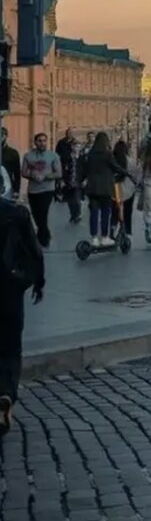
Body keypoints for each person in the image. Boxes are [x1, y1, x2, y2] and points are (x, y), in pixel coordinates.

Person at [0, 166, 44, 434]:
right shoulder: (17, 213)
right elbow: (34, 251)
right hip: (10, 288)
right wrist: (39, 282)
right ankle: (6, 392)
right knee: (10, 347)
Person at [79, 131, 125, 246]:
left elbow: (84, 170)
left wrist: (81, 181)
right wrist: (125, 172)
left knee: (94, 213)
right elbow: (115, 167)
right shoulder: (107, 154)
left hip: (92, 188)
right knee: (106, 212)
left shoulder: (90, 154)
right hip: (105, 188)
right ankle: (105, 237)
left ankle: (94, 238)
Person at [22, 132, 62, 248]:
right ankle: (45, 233)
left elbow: (59, 173)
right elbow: (23, 172)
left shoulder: (53, 156)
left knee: (43, 213)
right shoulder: (28, 156)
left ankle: (43, 240)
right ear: (35, 142)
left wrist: (45, 176)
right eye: (39, 141)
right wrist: (32, 175)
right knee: (36, 215)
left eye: (44, 140)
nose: (42, 143)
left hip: (47, 190)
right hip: (33, 190)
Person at [55, 127, 83, 224]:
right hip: (67, 177)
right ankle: (73, 214)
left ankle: (78, 214)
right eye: (68, 132)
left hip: (77, 179)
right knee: (70, 199)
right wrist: (61, 178)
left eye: (76, 147)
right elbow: (57, 156)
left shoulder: (80, 157)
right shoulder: (62, 143)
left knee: (76, 199)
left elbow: (84, 167)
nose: (75, 148)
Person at [111, 139, 139, 236]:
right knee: (128, 210)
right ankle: (127, 230)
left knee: (114, 210)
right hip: (128, 189)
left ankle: (113, 227)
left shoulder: (112, 160)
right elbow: (136, 174)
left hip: (115, 189)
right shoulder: (130, 161)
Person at [1, 128, 21, 198]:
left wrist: (16, 190)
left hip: (7, 186)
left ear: (5, 136)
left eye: (2, 135)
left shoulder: (13, 153)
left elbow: (17, 173)